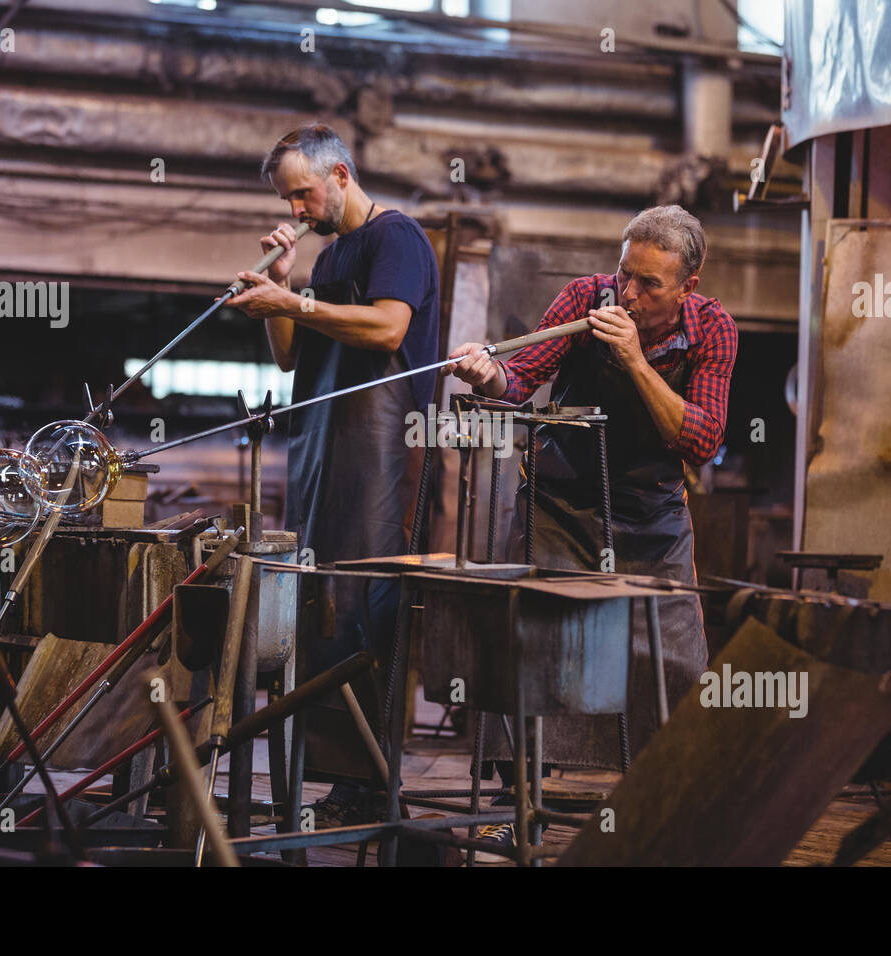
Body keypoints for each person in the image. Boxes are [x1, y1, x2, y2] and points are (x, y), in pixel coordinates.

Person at [447, 204, 737, 856]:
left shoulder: (714, 330)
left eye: (648, 285)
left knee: (680, 667)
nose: (627, 293)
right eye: (624, 273)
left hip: (651, 523)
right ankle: (517, 805)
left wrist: (634, 360)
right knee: (528, 652)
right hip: (560, 507)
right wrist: (486, 371)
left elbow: (703, 440)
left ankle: (671, 811)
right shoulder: (586, 300)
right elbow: (519, 377)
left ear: (687, 287)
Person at [224, 124, 440, 824]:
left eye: (303, 193)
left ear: (341, 175)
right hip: (321, 449)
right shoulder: (330, 255)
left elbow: (387, 331)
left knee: (367, 613)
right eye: (288, 199)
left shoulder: (397, 238)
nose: (295, 211)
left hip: (381, 449)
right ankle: (343, 778)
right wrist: (282, 290)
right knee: (323, 613)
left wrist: (293, 303)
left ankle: (378, 780)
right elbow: (291, 361)